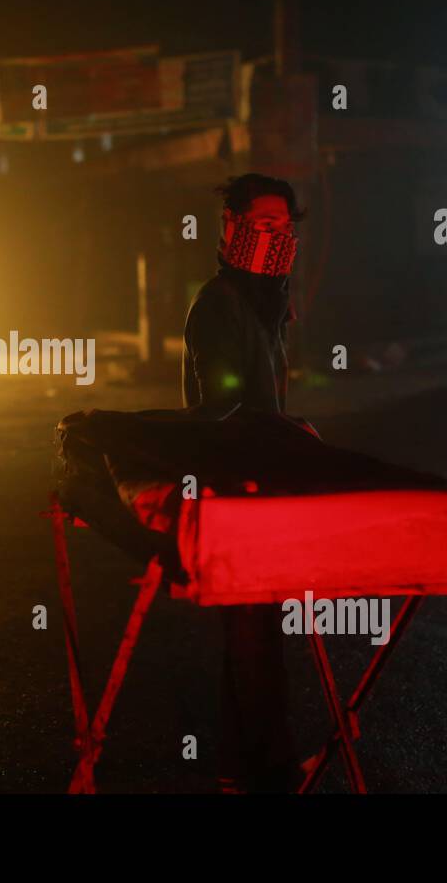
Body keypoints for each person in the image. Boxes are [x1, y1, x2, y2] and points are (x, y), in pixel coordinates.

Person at [181, 172, 305, 793]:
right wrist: (284, 431)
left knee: (260, 632)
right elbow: (220, 404)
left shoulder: (267, 301)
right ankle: (264, 768)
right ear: (230, 228)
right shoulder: (219, 302)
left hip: (263, 485)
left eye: (283, 227)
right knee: (252, 631)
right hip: (235, 490)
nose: (275, 237)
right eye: (261, 226)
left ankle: (248, 766)